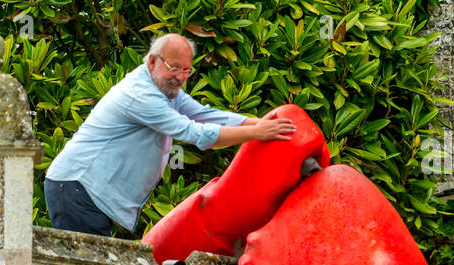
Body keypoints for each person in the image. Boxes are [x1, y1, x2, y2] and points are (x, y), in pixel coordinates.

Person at [45, 33, 296, 237]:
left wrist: (257, 122)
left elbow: (203, 115)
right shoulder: (141, 95)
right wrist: (257, 133)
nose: (180, 78)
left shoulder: (165, 89)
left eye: (187, 71)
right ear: (153, 61)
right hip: (77, 188)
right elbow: (193, 132)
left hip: (84, 193)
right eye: (174, 68)